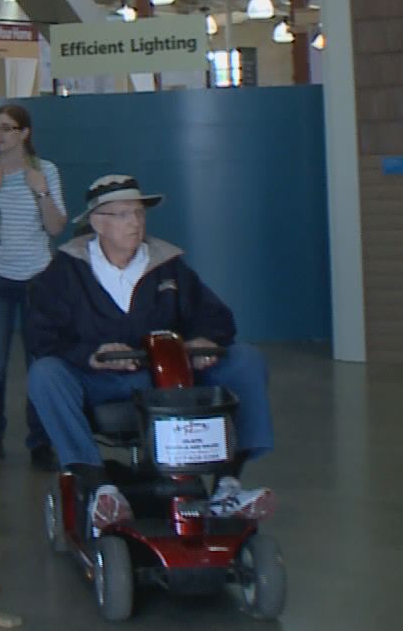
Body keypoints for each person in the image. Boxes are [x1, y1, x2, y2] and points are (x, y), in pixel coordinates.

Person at [26, 174, 276, 531]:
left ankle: (227, 484)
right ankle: (100, 488)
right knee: (45, 374)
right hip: (98, 380)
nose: (136, 222)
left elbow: (214, 316)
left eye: (139, 213)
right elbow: (41, 335)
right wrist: (90, 354)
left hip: (164, 378)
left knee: (246, 360)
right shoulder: (67, 270)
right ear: (98, 222)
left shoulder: (167, 265)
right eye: (124, 214)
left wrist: (204, 340)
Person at [0, 103, 67, 470]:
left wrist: (41, 193)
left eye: (7, 128)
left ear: (24, 134)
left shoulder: (46, 172)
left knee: (41, 362)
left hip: (39, 275)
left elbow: (56, 228)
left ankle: (40, 440)